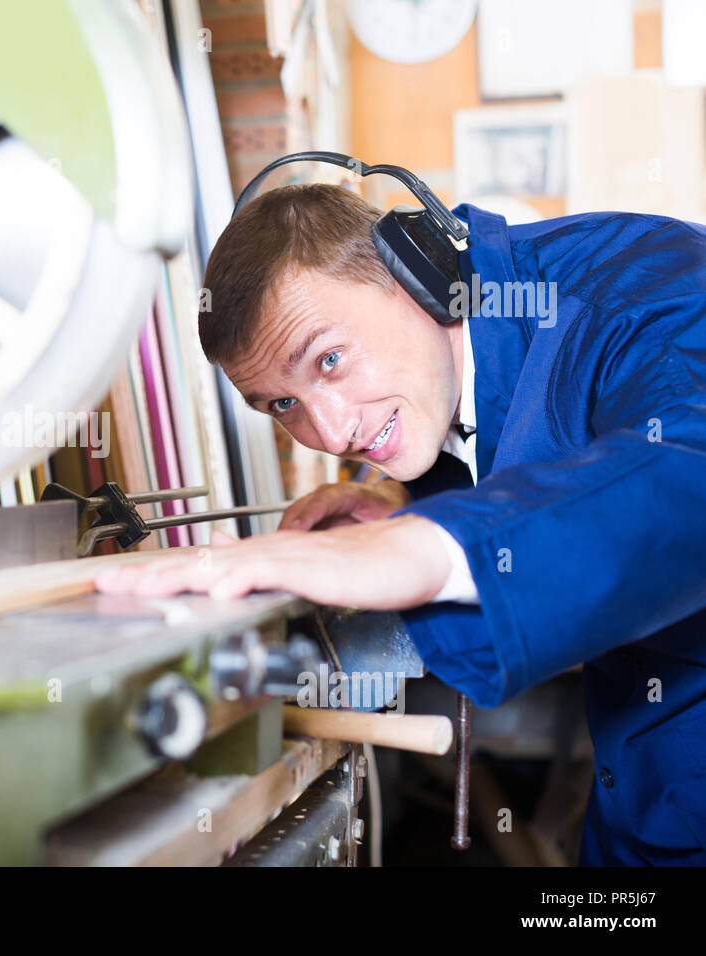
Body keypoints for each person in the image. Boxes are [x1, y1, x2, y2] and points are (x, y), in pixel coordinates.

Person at [94, 182, 706, 865]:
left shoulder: (646, 290)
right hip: (655, 798)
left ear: (418, 270)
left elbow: (683, 474)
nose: (330, 431)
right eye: (281, 404)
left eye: (328, 359)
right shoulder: (465, 355)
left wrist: (421, 545)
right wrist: (404, 502)